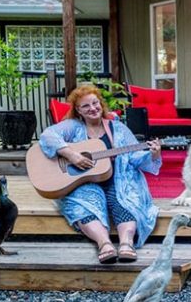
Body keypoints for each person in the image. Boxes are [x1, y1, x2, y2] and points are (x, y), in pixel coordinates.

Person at [38, 84, 162, 264]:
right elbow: (47, 135)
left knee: (125, 202)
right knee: (83, 206)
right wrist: (71, 155)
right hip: (83, 182)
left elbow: (135, 157)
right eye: (85, 106)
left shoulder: (117, 128)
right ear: (78, 110)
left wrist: (153, 153)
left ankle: (126, 244)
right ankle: (105, 244)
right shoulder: (73, 126)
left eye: (95, 103)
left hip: (117, 178)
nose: (92, 108)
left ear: (101, 104)